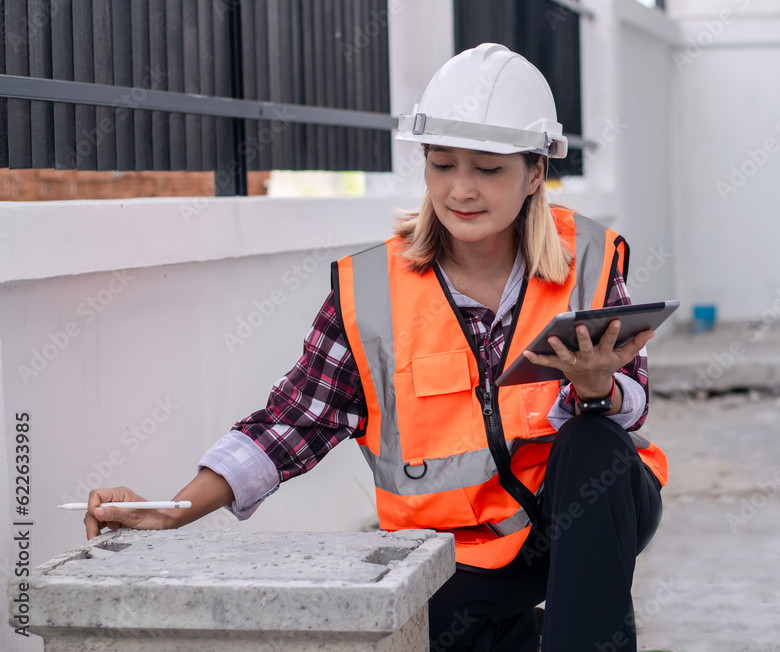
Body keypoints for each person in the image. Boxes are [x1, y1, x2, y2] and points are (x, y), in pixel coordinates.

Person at [84, 43, 668, 652]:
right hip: (462, 555)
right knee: (437, 631)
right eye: (442, 165)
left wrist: (597, 388)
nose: (461, 189)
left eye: (488, 169)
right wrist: (173, 509)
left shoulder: (587, 263)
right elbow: (293, 422)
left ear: (534, 173)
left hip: (585, 520)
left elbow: (633, 405)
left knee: (595, 440)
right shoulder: (373, 295)